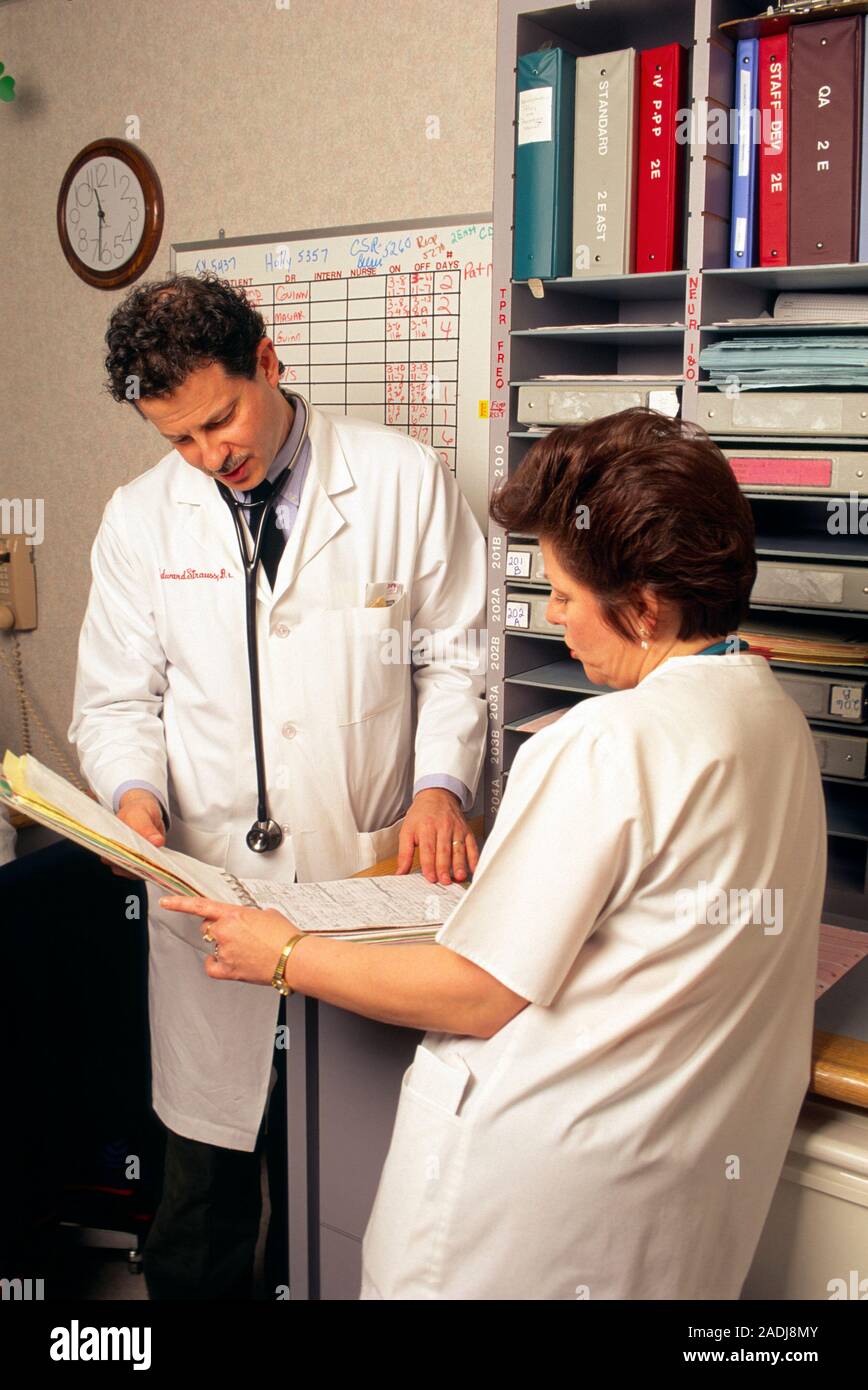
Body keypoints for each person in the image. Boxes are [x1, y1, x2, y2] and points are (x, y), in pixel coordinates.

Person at [159, 407, 827, 1300]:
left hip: (527, 1215)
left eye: (561, 593)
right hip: (660, 1203)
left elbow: (478, 992)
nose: (554, 619)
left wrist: (280, 952)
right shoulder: (773, 717)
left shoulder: (606, 740)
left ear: (646, 609)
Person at [68, 273, 487, 1299]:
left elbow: (458, 657)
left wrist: (439, 786)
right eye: (179, 441)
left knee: (346, 1185)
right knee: (202, 1200)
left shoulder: (397, 478)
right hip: (211, 894)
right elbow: (116, 700)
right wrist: (133, 798)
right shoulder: (140, 522)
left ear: (267, 359)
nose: (212, 457)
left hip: (365, 886)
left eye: (220, 420)